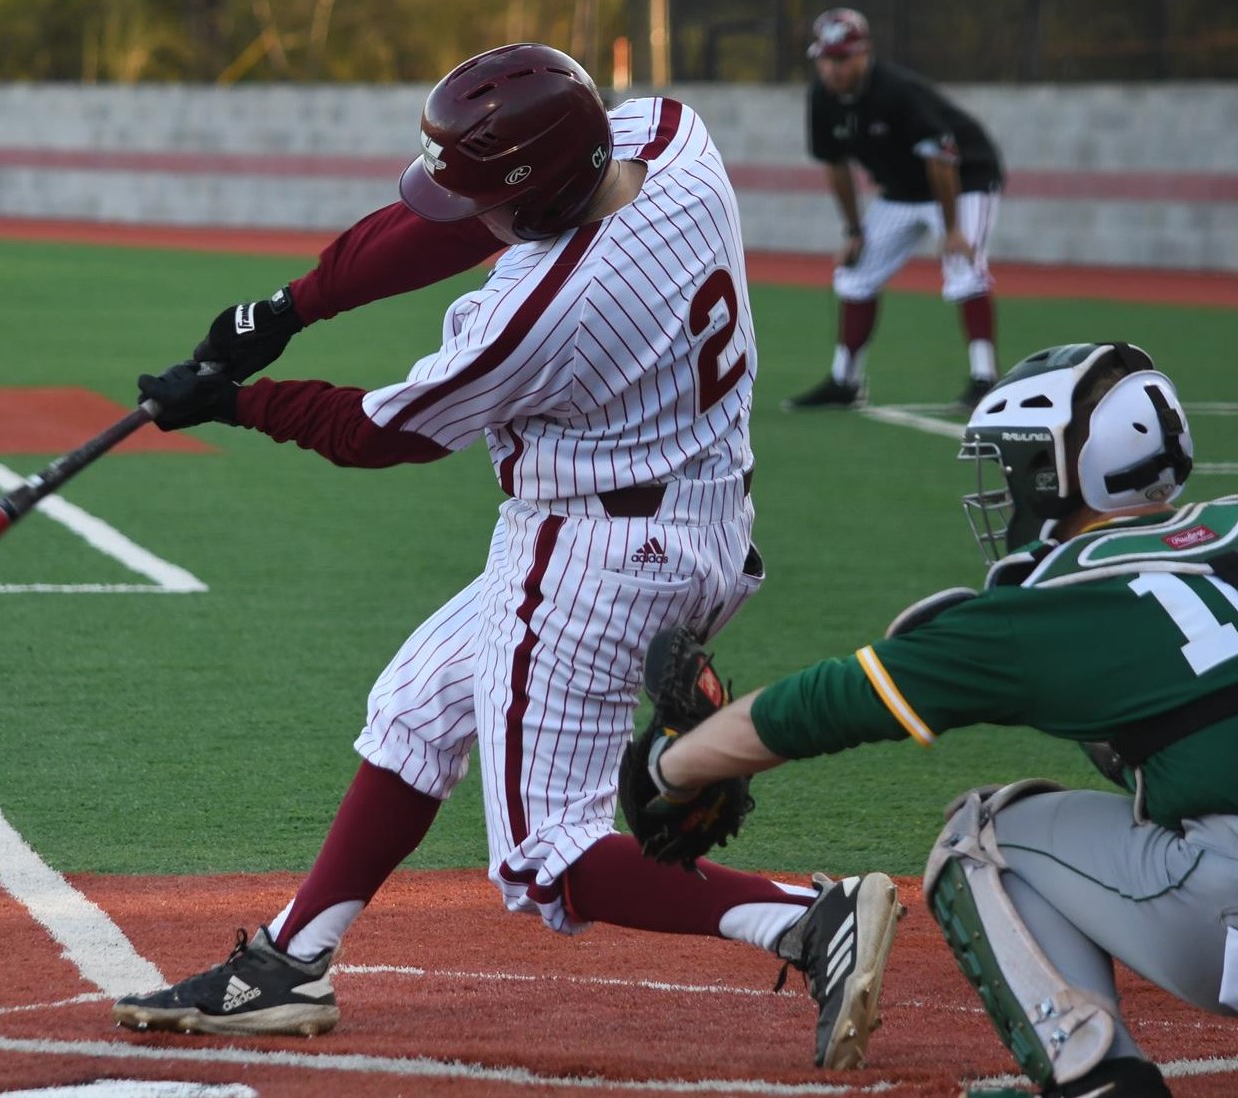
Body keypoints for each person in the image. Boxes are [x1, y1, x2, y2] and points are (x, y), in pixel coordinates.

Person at [109, 42, 901, 1070]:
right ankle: (289, 962)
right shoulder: (670, 142)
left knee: (545, 858)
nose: (467, 220)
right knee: (416, 708)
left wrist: (232, 402)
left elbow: (380, 430)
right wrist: (292, 308)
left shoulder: (544, 314)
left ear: (535, 207)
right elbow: (446, 226)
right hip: (699, 519)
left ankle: (804, 917)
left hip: (589, 556)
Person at [626, 341, 1238, 1097]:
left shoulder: (1059, 598)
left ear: (1063, 472)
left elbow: (837, 702)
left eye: (1017, 463)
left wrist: (676, 767)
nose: (1007, 486)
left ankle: (1093, 1072)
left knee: (981, 837)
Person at [785, 7, 1007, 412]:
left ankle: (984, 380)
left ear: (863, 53)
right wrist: (853, 231)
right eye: (826, 59)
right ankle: (845, 381)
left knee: (963, 268)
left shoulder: (896, 91)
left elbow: (941, 158)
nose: (833, 69)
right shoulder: (821, 98)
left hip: (965, 177)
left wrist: (953, 229)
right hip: (903, 189)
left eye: (842, 58)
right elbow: (836, 168)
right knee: (855, 272)